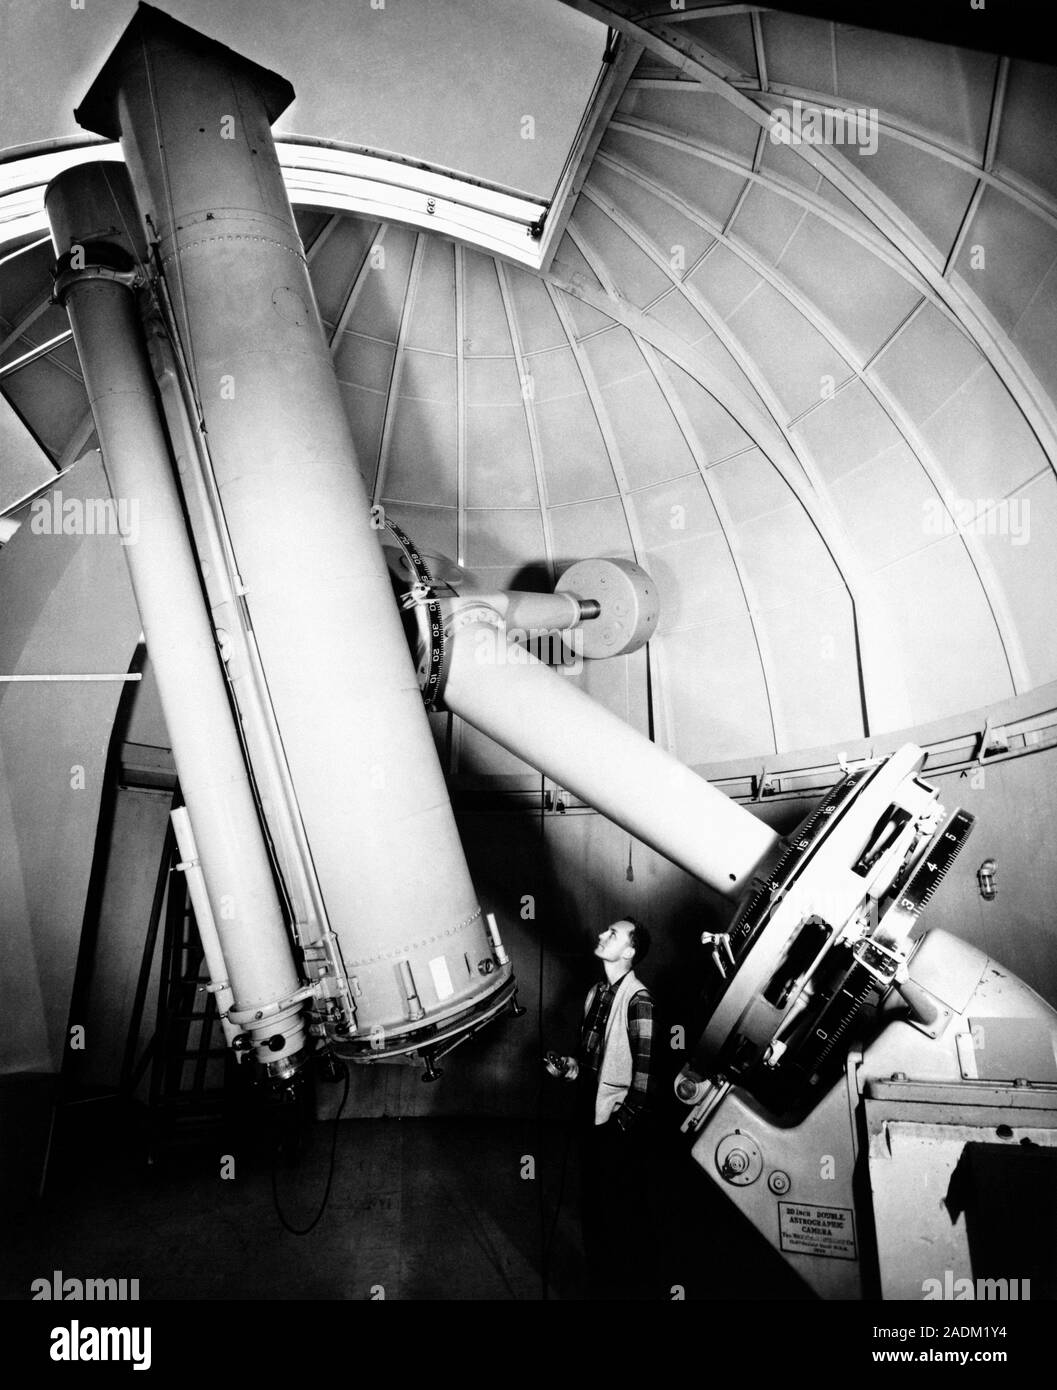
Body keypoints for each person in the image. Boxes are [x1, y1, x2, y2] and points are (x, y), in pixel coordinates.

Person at [545, 917, 660, 1298]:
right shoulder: (595, 993)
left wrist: (622, 1122)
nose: (601, 935)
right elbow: (589, 1062)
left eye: (613, 934)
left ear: (629, 952)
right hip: (591, 1117)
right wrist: (568, 1069)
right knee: (593, 1208)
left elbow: (644, 1075)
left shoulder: (639, 1000)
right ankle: (600, 1285)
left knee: (618, 1213)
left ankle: (622, 1287)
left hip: (617, 1125)